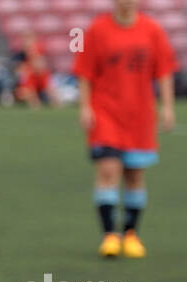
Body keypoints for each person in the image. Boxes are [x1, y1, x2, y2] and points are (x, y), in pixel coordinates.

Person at [74, 0, 176, 259]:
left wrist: (167, 107)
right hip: (106, 112)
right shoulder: (96, 30)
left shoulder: (153, 30)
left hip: (140, 114)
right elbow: (85, 73)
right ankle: (110, 235)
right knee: (108, 169)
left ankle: (131, 234)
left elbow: (164, 72)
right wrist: (85, 107)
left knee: (134, 174)